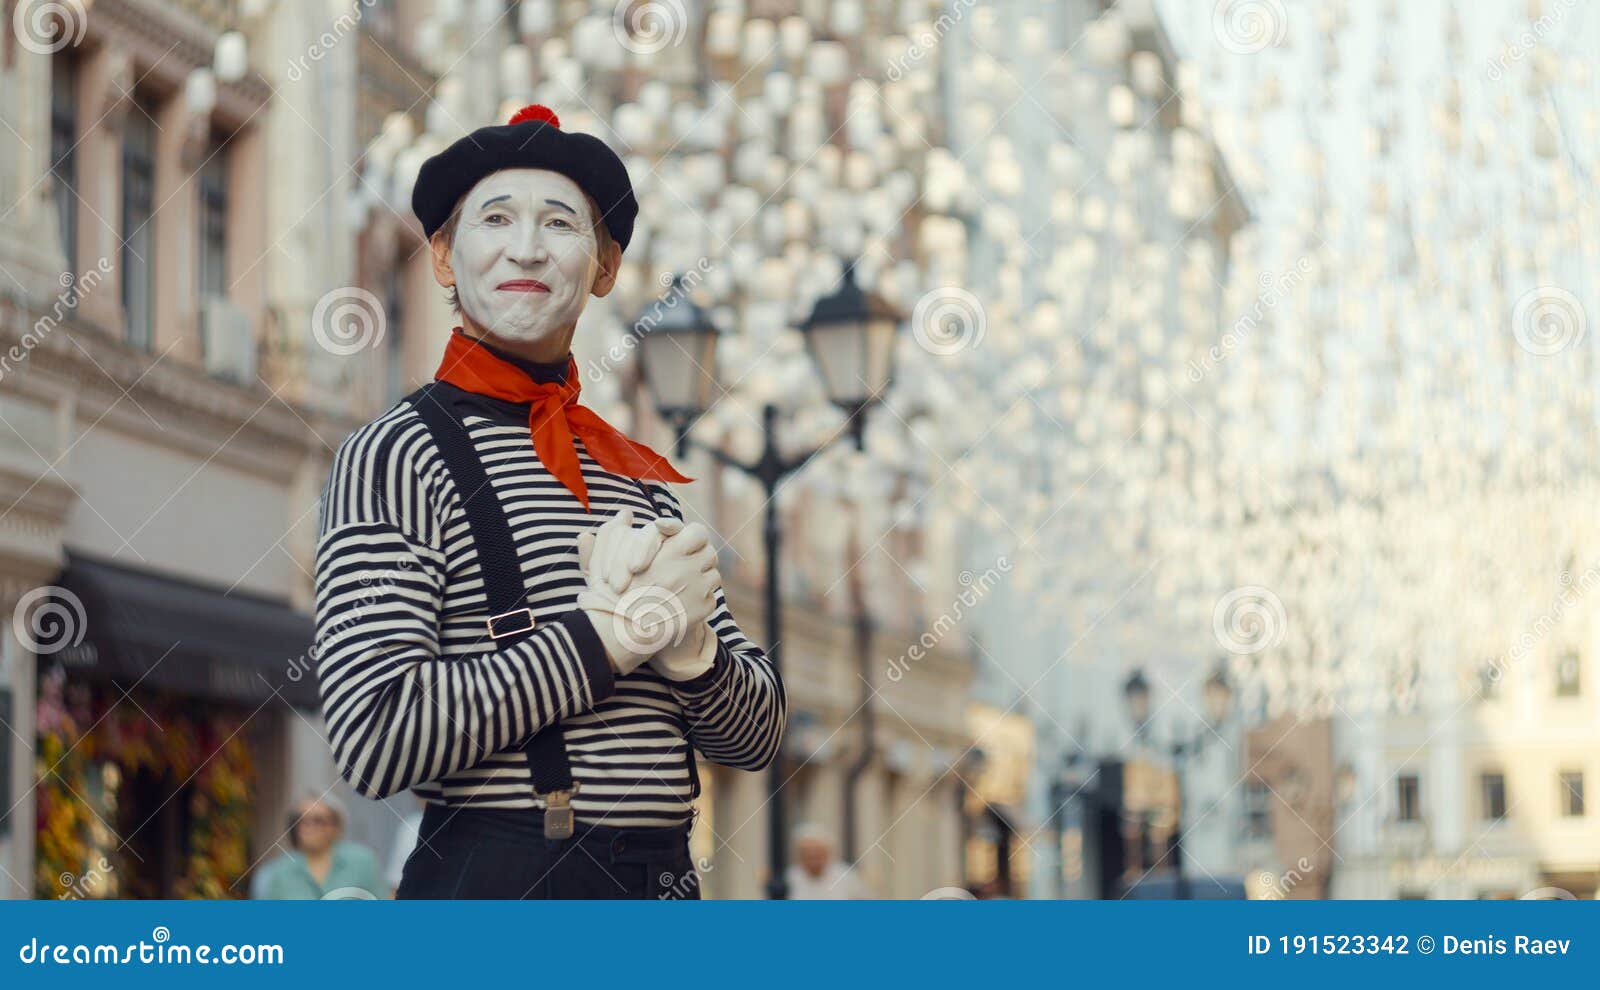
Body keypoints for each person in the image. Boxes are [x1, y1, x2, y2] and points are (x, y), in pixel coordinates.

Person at [313, 103, 786, 899]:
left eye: (561, 224)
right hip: (506, 887)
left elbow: (759, 734)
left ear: (602, 267)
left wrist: (694, 653)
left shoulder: (633, 476)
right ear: (443, 256)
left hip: (663, 884)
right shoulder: (396, 452)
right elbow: (375, 735)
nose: (526, 247)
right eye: (495, 219)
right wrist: (604, 639)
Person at [252, 793, 386, 899]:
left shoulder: (362, 862)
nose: (309, 828)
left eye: (318, 820)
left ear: (335, 827)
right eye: (302, 821)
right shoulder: (277, 872)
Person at [784, 823, 869, 899]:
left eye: (817, 852)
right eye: (807, 853)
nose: (812, 857)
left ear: (827, 853)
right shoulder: (789, 878)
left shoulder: (846, 876)